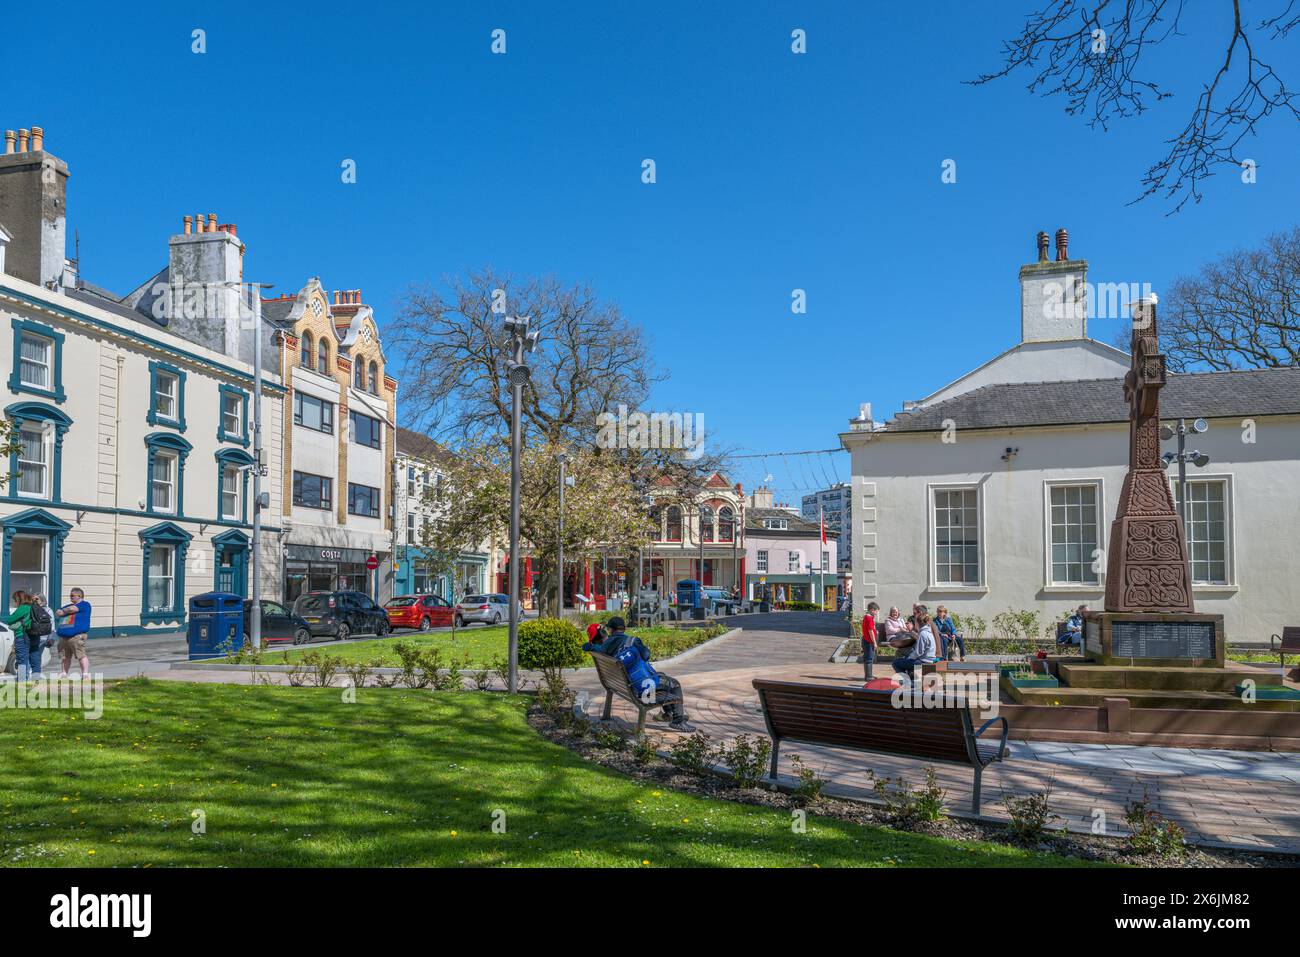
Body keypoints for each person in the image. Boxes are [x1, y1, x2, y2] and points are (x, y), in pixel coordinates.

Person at [583, 616, 694, 731]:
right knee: (674, 684)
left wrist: (591, 646)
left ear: (611, 630)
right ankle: (678, 720)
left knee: (662, 675)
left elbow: (597, 648)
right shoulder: (632, 640)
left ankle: (669, 713)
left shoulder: (605, 647)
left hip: (627, 685)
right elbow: (646, 655)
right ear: (623, 629)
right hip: (642, 687)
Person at [55, 587, 92, 679]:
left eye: (72, 595)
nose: (70, 597)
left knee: (81, 655)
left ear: (79, 596)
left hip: (76, 636)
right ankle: (64, 674)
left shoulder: (85, 604)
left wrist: (63, 611)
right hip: (64, 637)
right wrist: (63, 611)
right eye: (70, 595)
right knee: (65, 657)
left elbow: (72, 609)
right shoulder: (69, 606)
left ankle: (85, 675)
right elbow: (58, 611)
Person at [891, 608, 937, 679]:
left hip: (923, 661)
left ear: (917, 623)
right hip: (929, 660)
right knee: (907, 661)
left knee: (895, 663)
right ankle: (912, 680)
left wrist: (909, 658)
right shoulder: (928, 632)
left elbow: (919, 652)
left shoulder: (923, 633)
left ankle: (907, 681)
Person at [5, 591, 40, 681]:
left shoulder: (23, 608)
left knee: (22, 661)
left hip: (23, 636)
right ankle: (36, 681)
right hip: (35, 636)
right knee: (35, 660)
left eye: (15, 600)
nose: (14, 602)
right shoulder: (35, 606)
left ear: (18, 599)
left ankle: (22, 683)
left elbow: (9, 620)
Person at [861, 601, 880, 681]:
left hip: (866, 640)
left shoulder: (867, 617)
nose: (876, 613)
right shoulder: (869, 618)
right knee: (869, 658)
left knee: (867, 658)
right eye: (876, 611)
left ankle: (869, 675)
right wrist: (874, 642)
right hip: (869, 641)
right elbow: (870, 631)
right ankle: (868, 677)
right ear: (872, 610)